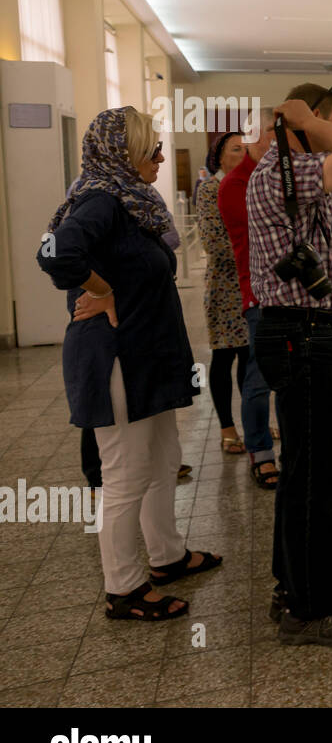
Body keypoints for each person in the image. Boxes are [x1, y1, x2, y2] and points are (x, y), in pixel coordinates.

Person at [38, 107, 221, 621]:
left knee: (163, 459)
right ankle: (123, 587)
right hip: (115, 356)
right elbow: (54, 253)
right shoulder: (101, 200)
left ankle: (166, 556)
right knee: (124, 475)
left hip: (149, 352)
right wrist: (102, 288)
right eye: (151, 152)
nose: (160, 160)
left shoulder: (134, 200)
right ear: (122, 155)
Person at [246, 85, 332, 646]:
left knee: (305, 470)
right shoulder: (288, 171)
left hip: (313, 328)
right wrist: (308, 121)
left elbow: (326, 255)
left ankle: (296, 580)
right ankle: (310, 608)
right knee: (313, 478)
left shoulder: (298, 175)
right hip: (301, 337)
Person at [218, 109, 279, 489]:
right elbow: (267, 233)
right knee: (258, 380)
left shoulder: (281, 174)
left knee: (286, 379)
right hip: (259, 295)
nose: (278, 138)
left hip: (293, 296)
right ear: (253, 136)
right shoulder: (235, 185)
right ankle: (261, 453)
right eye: (272, 131)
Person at [196, 131, 250, 456]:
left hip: (250, 281)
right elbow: (213, 242)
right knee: (225, 355)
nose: (243, 154)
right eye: (235, 149)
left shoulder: (249, 186)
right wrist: (257, 251)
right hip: (225, 285)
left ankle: (252, 421)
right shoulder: (209, 189)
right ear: (219, 156)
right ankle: (227, 427)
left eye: (246, 149)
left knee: (250, 356)